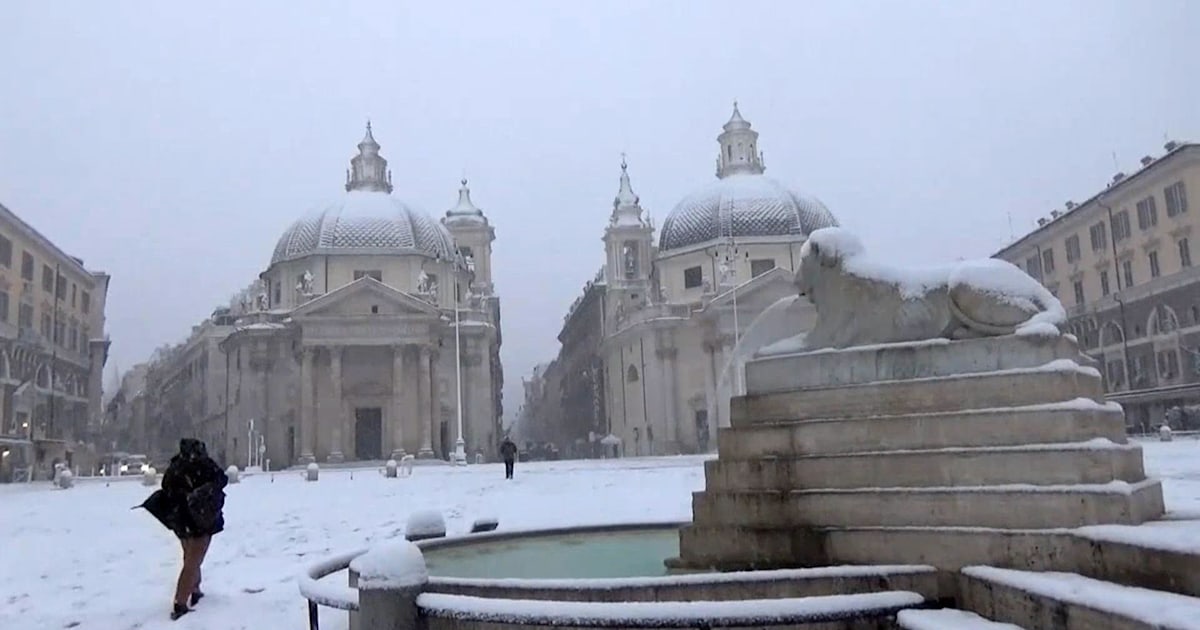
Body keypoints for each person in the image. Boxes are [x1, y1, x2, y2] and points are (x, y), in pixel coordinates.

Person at [160, 438, 228, 620]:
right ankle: (180, 602)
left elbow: (165, 487)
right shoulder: (205, 465)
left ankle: (195, 589)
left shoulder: (176, 466)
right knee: (193, 561)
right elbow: (222, 479)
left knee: (189, 556)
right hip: (200, 519)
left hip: (181, 520)